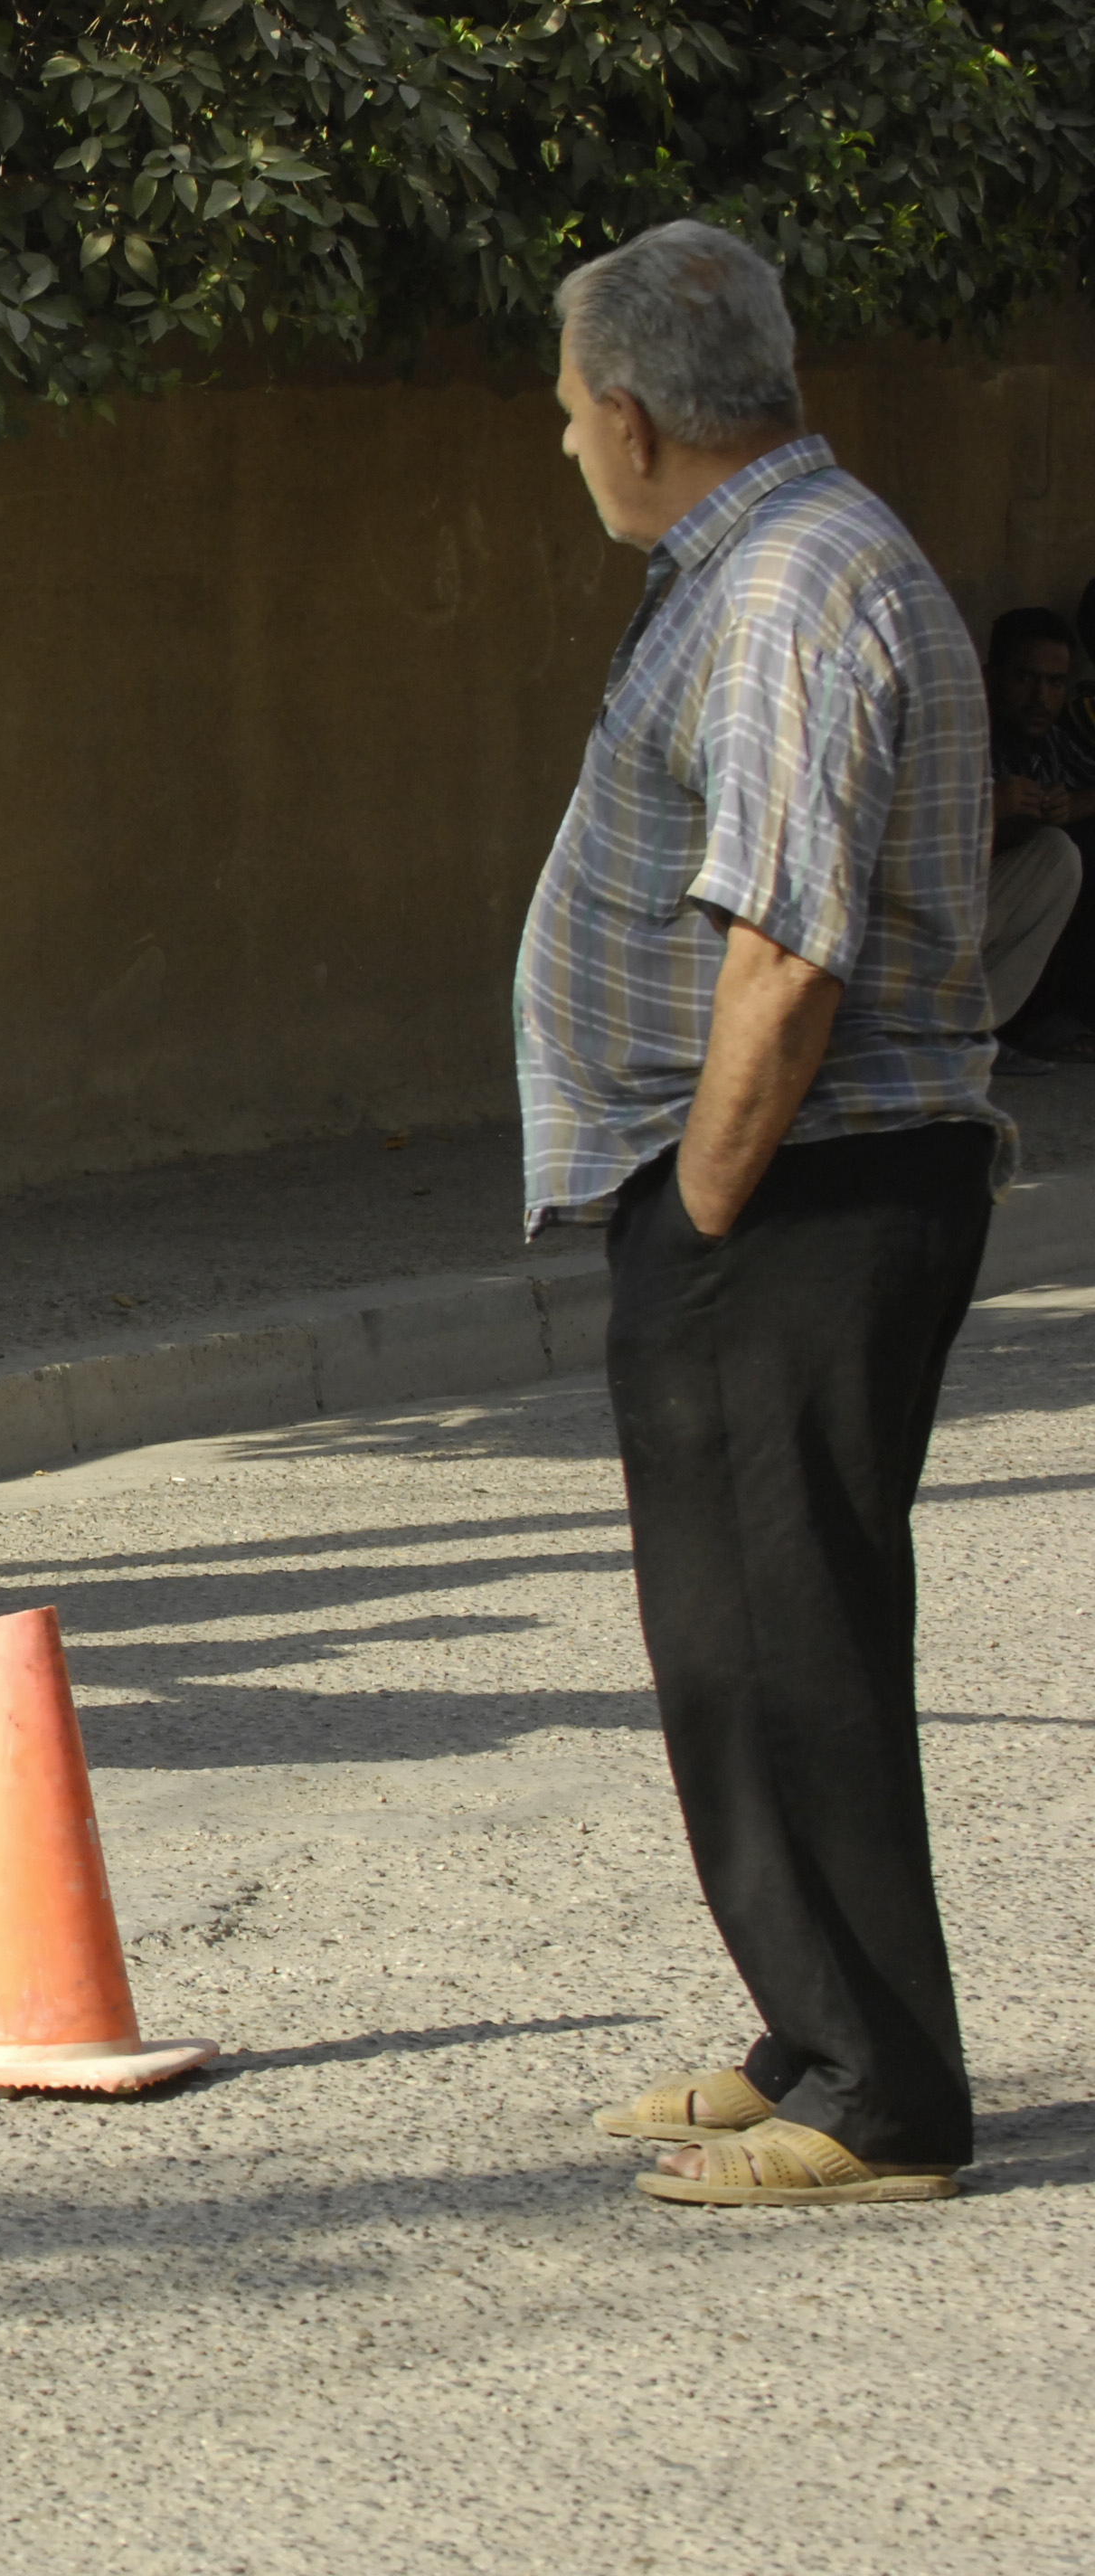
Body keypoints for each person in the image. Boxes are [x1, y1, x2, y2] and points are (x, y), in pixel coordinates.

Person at [524, 220, 1004, 2208]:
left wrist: (706, 1196)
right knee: (737, 1636)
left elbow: (783, 946)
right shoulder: (749, 562)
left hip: (789, 1195)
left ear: (629, 415)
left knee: (783, 1638)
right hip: (774, 1193)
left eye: (563, 412)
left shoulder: (792, 587)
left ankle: (882, 2091)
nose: (557, 444)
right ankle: (810, 2025)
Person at [982, 605, 1095, 1063]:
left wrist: (1074, 806)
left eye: (1054, 683)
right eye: (1025, 679)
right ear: (991, 678)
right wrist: (990, 811)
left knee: (1071, 842)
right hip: (926, 923)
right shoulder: (964, 733)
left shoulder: (1049, 738)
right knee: (1056, 851)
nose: (1040, 698)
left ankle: (983, 1028)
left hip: (992, 924)